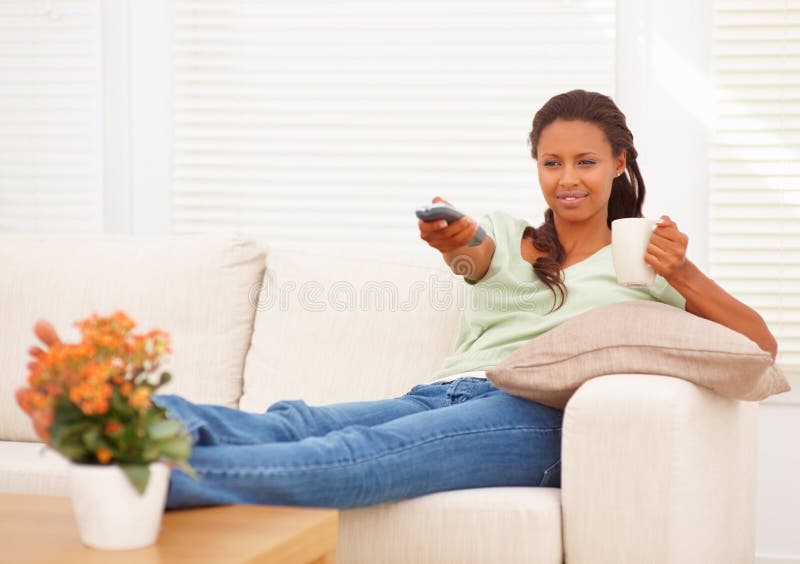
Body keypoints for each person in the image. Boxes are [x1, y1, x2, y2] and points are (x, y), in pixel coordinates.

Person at [31, 89, 777, 509]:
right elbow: (472, 254)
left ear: (619, 163)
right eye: (551, 162)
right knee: (296, 420)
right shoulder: (510, 233)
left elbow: (759, 349)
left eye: (586, 160)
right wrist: (453, 239)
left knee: (356, 456)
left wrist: (683, 276)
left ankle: (136, 478)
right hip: (441, 394)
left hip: (534, 414)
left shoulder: (645, 260)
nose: (567, 177)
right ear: (537, 168)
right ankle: (110, 415)